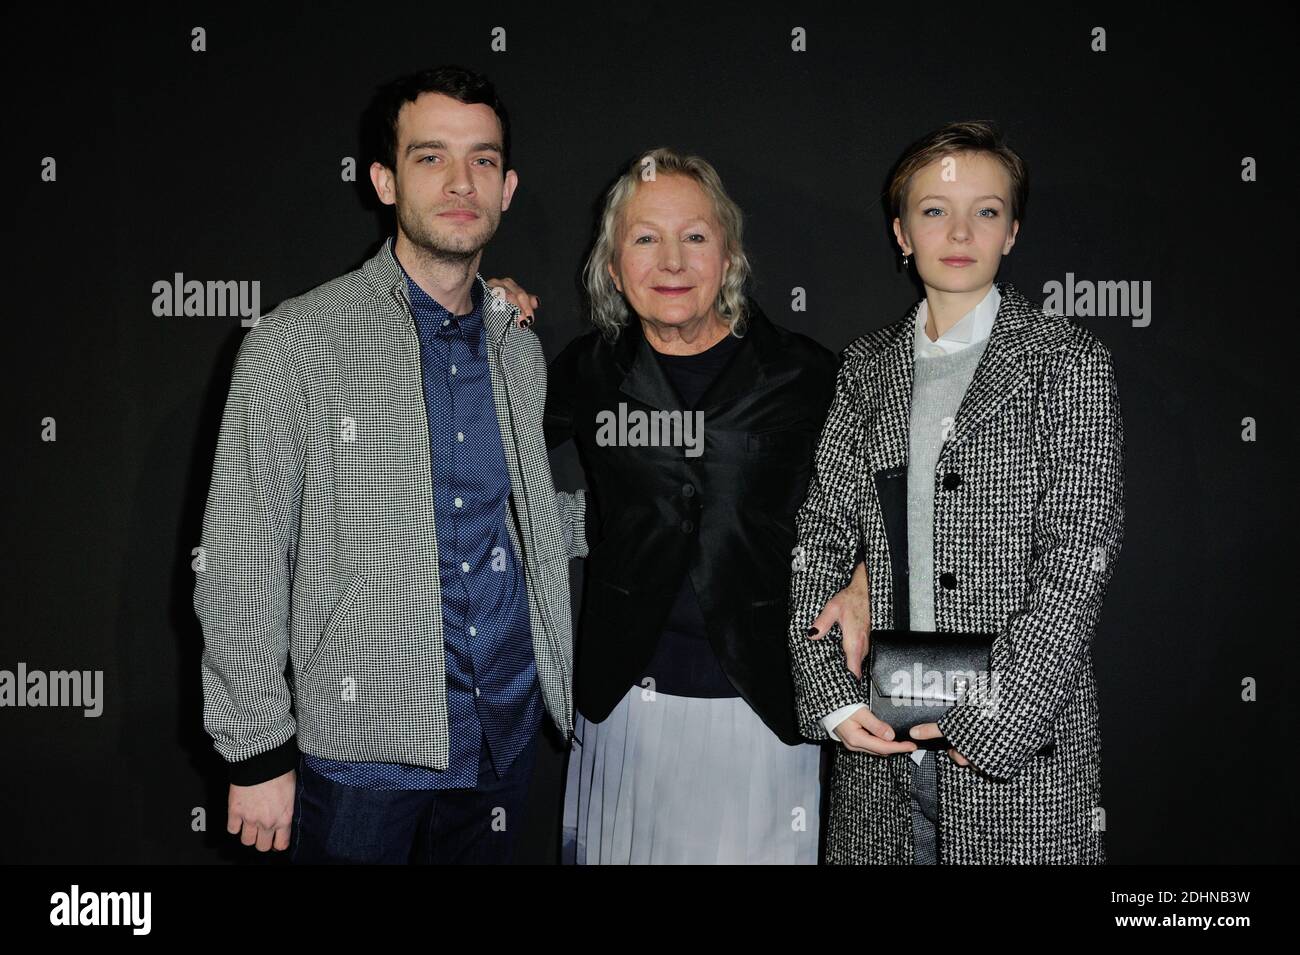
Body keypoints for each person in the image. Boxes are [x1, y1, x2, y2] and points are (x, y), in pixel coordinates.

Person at [193, 65, 585, 864]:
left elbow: (512, 514)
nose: (459, 181)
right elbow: (239, 555)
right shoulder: (294, 342)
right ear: (382, 179)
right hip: (364, 756)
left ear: (507, 187)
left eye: (482, 160)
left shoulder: (517, 346)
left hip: (502, 739)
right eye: (430, 156)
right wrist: (257, 749)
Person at [788, 120, 1125, 864]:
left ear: (1012, 233)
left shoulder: (1068, 364)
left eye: (988, 209)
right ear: (902, 232)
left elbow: (1077, 556)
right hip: (879, 760)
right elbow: (822, 538)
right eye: (936, 210)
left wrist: (999, 717)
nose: (961, 229)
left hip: (1021, 764)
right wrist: (833, 697)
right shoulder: (865, 369)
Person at [546, 147, 870, 864]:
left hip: (759, 700)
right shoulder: (586, 371)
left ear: (728, 257)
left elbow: (891, 494)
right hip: (626, 704)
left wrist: (865, 576)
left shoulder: (807, 374)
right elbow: (491, 454)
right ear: (611, 264)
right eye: (645, 237)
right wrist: (492, 315)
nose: (671, 260)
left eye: (694, 236)